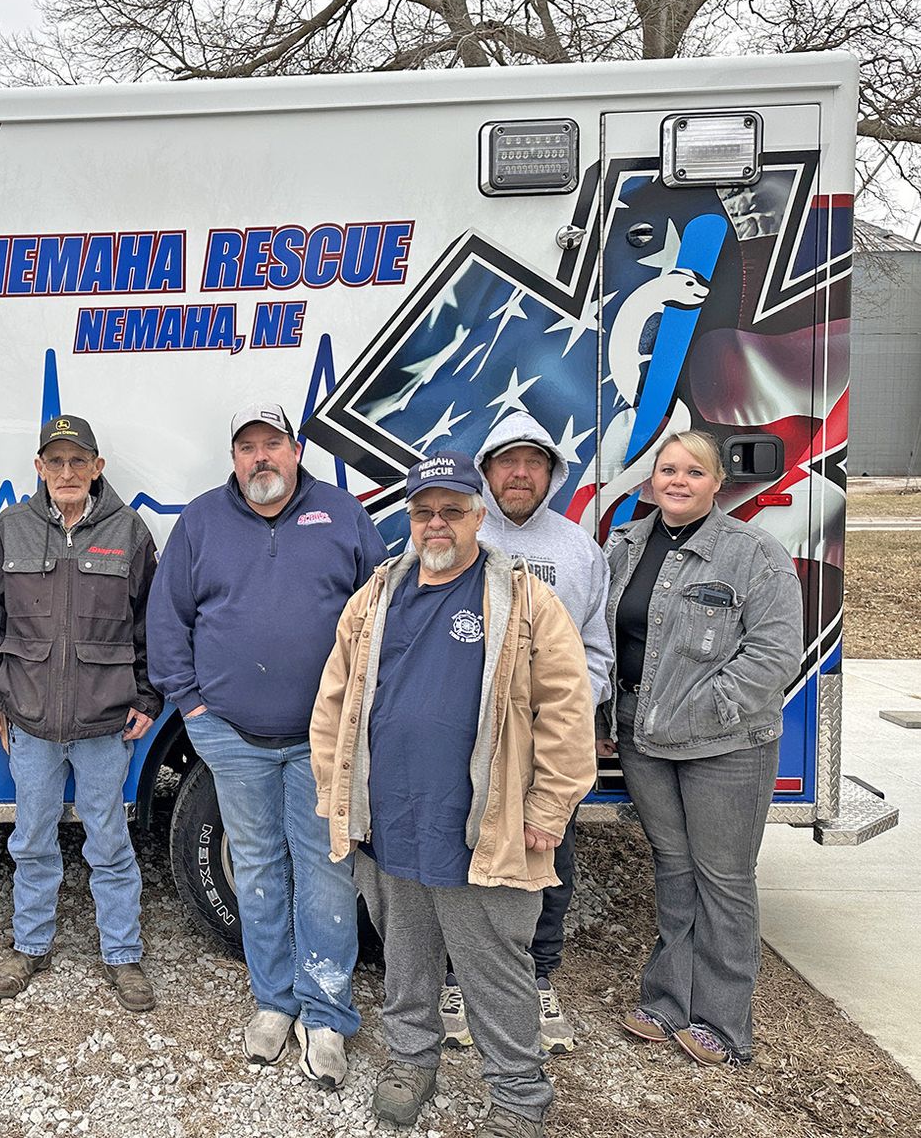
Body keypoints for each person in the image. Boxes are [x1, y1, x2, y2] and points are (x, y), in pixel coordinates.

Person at [311, 450, 595, 1138]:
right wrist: (335, 796)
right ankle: (412, 1061)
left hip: (480, 827)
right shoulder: (376, 596)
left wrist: (549, 807)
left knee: (493, 965)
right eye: (423, 511)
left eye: (452, 510)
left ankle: (520, 1093)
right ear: (409, 519)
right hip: (391, 821)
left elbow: (567, 708)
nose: (436, 523)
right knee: (405, 959)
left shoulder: (523, 599)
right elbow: (334, 700)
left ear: (478, 515)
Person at [147, 403, 387, 1088]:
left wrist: (363, 712)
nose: (260, 458)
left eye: (272, 444)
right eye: (247, 446)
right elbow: (168, 620)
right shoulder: (199, 521)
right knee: (255, 871)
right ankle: (275, 1002)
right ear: (233, 457)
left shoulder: (343, 515)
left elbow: (380, 614)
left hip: (323, 740)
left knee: (326, 876)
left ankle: (326, 1013)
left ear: (296, 448)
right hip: (232, 736)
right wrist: (193, 708)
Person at [601, 431, 803, 1066]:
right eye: (667, 470)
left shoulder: (753, 554)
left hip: (725, 744)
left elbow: (775, 652)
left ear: (718, 484)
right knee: (675, 868)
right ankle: (666, 1002)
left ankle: (722, 1020)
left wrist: (708, 709)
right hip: (643, 736)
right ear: (650, 481)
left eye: (694, 472)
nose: (678, 481)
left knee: (724, 879)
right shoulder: (625, 547)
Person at [0, 415, 162, 1012]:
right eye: (57, 462)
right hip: (28, 719)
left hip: (105, 723)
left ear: (98, 468)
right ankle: (29, 946)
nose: (68, 472)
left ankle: (122, 956)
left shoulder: (130, 532)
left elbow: (153, 624)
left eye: (80, 462)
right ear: (40, 469)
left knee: (108, 841)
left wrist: (149, 696)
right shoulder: (11, 529)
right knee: (31, 840)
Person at [431, 414, 613, 1054]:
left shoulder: (577, 550)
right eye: (506, 462)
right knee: (461, 852)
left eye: (533, 462)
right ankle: (456, 978)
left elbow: (596, 651)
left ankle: (537, 978)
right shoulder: (453, 539)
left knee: (548, 855)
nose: (519, 473)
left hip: (541, 742)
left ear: (552, 473)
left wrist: (563, 717)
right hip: (463, 738)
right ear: (485, 472)